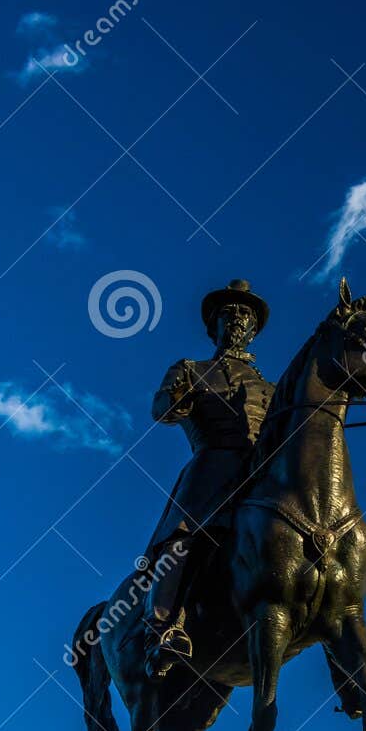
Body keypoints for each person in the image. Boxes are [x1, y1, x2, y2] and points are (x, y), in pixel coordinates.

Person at [142, 279, 274, 677]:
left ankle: (342, 657)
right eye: (229, 313)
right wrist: (177, 397)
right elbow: (163, 412)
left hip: (261, 474)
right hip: (210, 468)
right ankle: (163, 629)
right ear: (213, 325)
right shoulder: (191, 369)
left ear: (254, 329)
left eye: (246, 315)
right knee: (183, 541)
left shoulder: (272, 388)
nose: (238, 319)